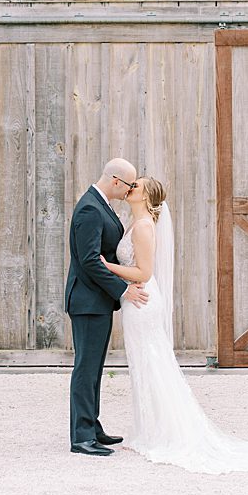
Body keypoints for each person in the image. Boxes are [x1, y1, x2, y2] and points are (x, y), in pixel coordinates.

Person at [102, 175, 248, 473]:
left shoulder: (145, 227)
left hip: (143, 301)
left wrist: (107, 266)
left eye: (138, 185)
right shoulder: (134, 224)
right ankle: (147, 429)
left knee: (152, 364)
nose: (131, 186)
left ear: (147, 196)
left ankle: (161, 433)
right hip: (134, 301)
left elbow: (145, 272)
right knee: (141, 365)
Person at [65, 157, 149, 456]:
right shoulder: (90, 208)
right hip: (87, 302)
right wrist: (123, 290)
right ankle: (81, 437)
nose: (128, 192)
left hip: (97, 302)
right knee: (85, 369)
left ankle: (92, 425)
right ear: (116, 180)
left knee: (94, 369)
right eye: (128, 185)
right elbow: (89, 261)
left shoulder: (101, 204)